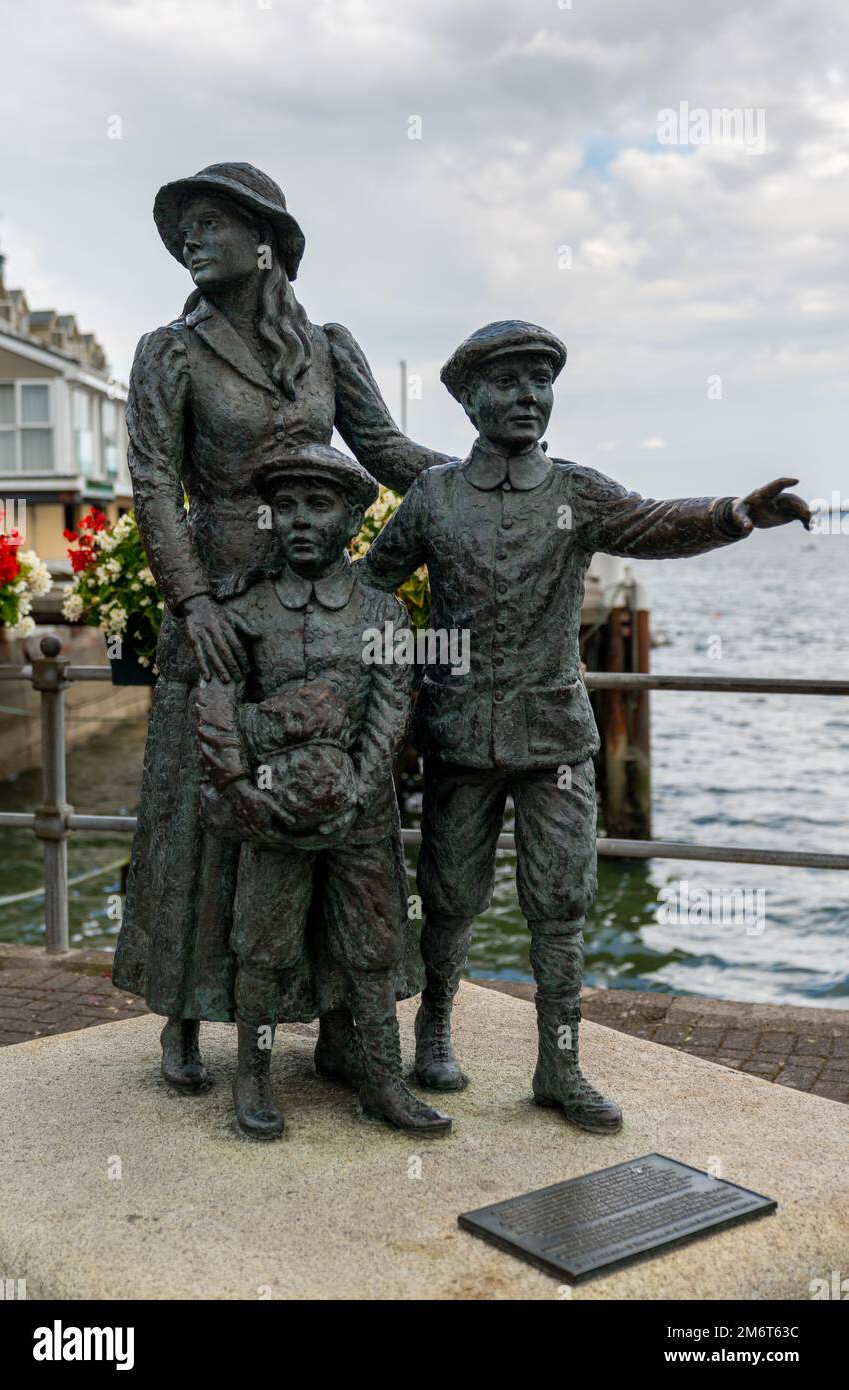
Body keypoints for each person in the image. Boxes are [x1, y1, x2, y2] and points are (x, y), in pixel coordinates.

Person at [359, 319, 811, 1135]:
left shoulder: (575, 493)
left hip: (556, 740)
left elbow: (653, 523)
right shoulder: (434, 498)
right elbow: (372, 591)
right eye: (506, 381)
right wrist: (412, 662)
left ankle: (558, 1065)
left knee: (561, 904)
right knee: (449, 896)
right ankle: (433, 1031)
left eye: (539, 379)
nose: (527, 395)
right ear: (467, 399)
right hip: (458, 733)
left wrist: (737, 513)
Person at [111, 163, 448, 1092]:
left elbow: (385, 454)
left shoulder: (329, 348)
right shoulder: (167, 352)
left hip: (318, 604)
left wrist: (481, 476)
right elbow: (154, 487)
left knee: (325, 795)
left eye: (211, 221)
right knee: (195, 811)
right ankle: (181, 1011)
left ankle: (340, 1016)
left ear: (267, 239)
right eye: (184, 225)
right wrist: (193, 604)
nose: (191, 238)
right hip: (217, 607)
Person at [194, 443, 451, 1140]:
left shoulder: (384, 613)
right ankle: (254, 1074)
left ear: (352, 519)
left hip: (358, 817)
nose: (300, 520)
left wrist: (356, 794)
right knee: (264, 946)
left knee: (373, 944)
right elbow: (215, 705)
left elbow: (390, 711)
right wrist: (245, 790)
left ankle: (382, 1079)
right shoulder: (243, 610)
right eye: (286, 507)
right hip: (269, 812)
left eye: (319, 505)